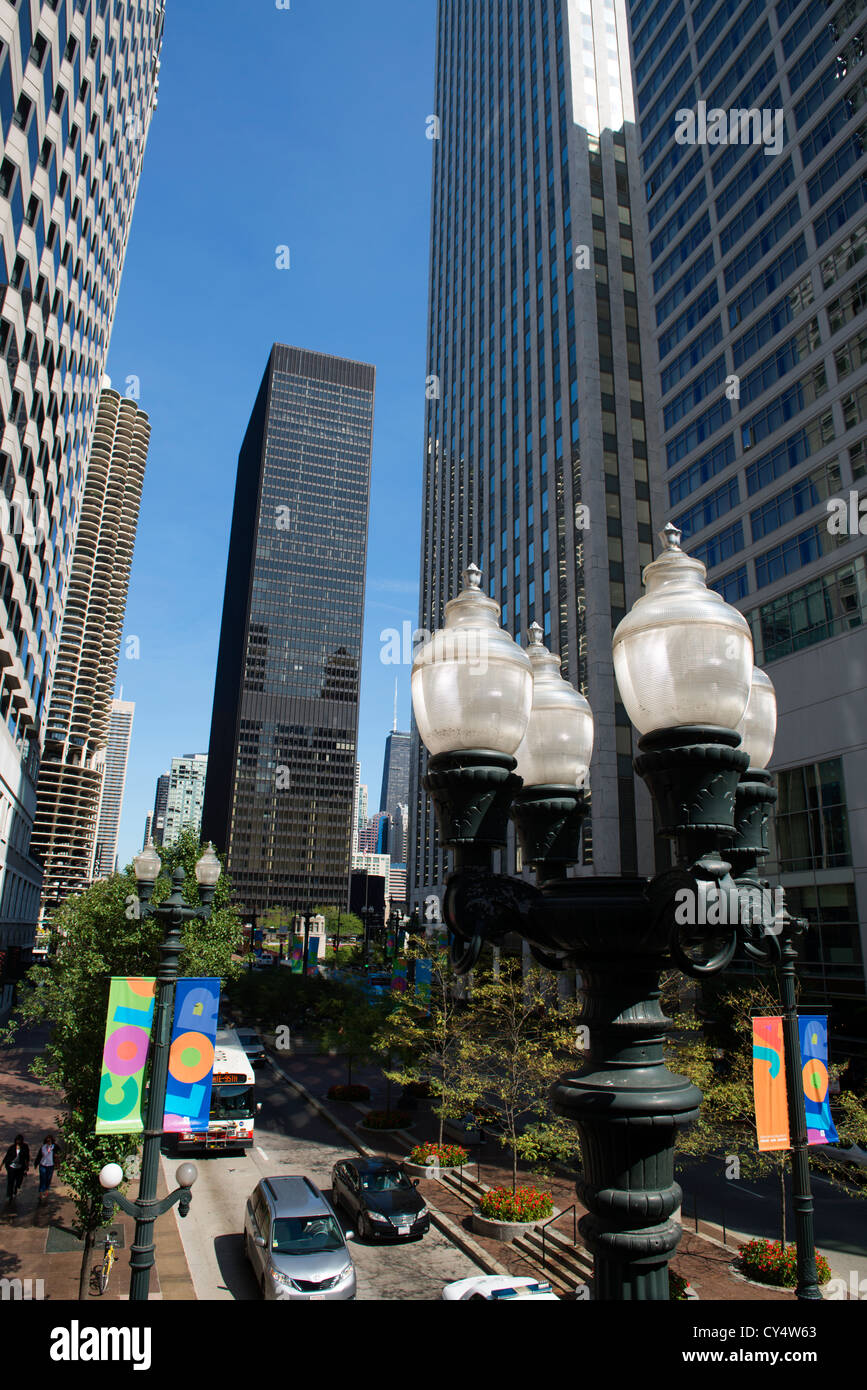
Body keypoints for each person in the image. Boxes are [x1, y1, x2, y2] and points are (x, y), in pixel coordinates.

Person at [3, 1134, 30, 1205]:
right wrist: (2, 1165)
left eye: (19, 1140)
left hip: (20, 1167)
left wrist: (27, 1166)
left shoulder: (25, 1147)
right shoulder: (12, 1147)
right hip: (11, 1167)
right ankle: (9, 1195)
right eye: (17, 1140)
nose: (18, 1141)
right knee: (10, 1182)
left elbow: (27, 1157)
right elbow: (7, 1156)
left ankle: (16, 1188)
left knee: (18, 1181)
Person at [35, 1133, 59, 1199]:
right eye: (47, 1141)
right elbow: (39, 1156)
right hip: (43, 1165)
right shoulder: (43, 1147)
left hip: (51, 1165)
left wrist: (57, 1158)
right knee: (42, 1178)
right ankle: (41, 1193)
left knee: (48, 1179)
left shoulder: (55, 1147)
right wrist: (36, 1163)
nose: (48, 1142)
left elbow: (60, 1153)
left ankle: (46, 1190)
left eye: (50, 1141)